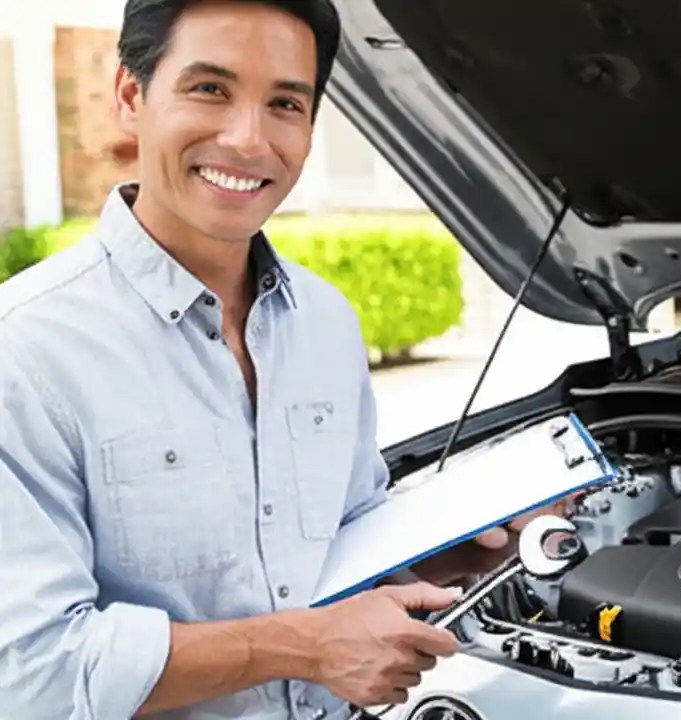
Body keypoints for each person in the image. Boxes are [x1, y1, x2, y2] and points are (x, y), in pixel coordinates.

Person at [0, 0, 567, 717]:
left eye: (285, 104)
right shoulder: (24, 350)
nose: (247, 139)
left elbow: (329, 557)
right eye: (210, 89)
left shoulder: (325, 322)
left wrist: (451, 556)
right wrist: (309, 647)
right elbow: (33, 674)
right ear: (130, 97)